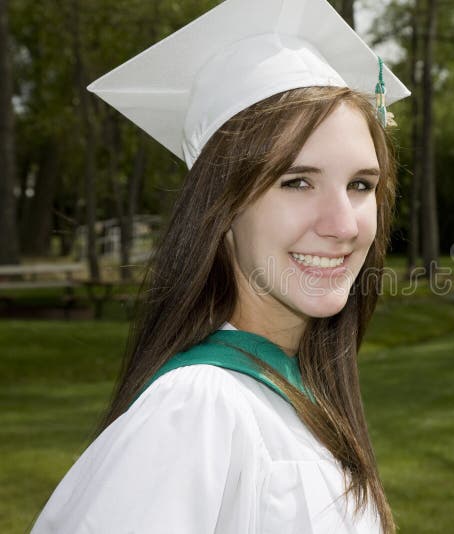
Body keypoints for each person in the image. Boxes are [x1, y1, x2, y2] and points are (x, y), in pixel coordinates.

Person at [29, 0, 409, 532]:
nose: (343, 224)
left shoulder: (295, 397)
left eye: (361, 185)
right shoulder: (199, 409)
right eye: (297, 181)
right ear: (221, 207)